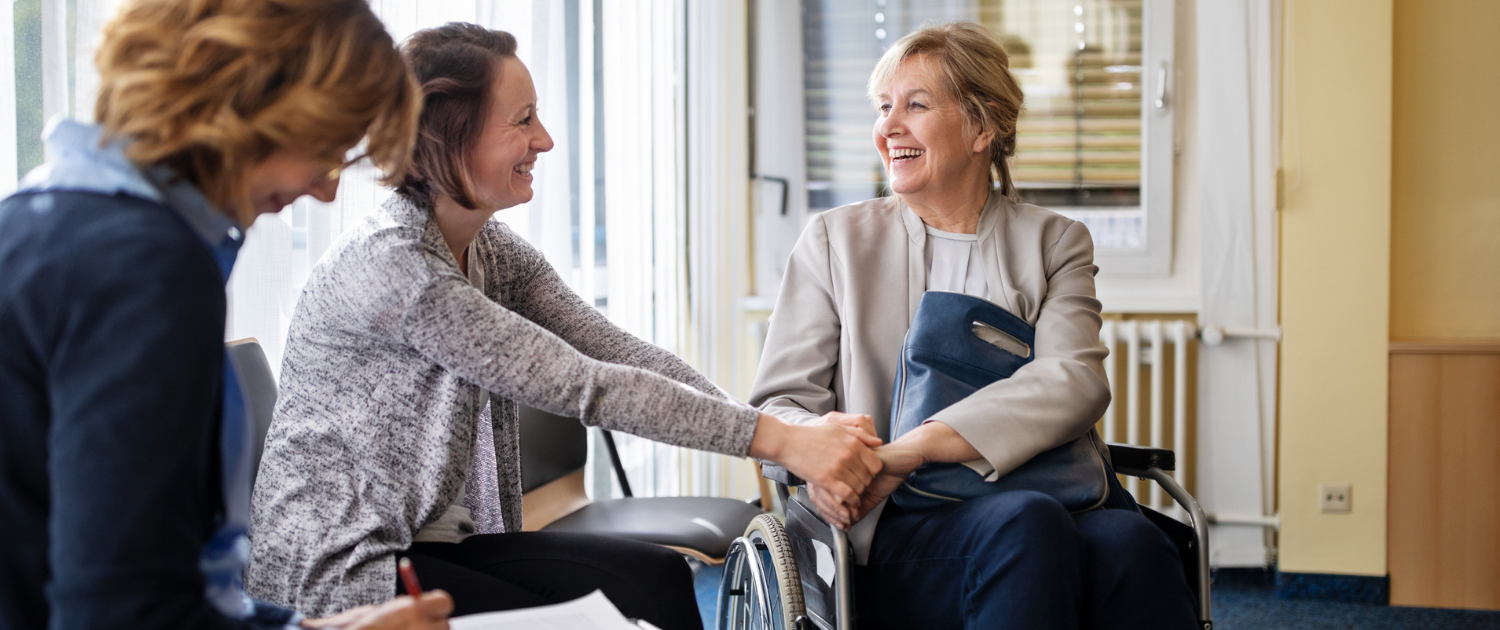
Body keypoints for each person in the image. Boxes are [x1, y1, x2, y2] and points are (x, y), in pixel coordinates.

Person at [245, 23, 881, 630]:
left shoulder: (490, 249)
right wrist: (780, 442)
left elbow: (616, 352)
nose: (544, 140)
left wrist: (781, 454)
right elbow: (586, 386)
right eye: (523, 120)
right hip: (338, 569)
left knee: (653, 581)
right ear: (450, 134)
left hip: (418, 543)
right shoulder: (399, 267)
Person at [0, 0, 455, 628]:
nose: (325, 190)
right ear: (249, 106)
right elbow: (121, 613)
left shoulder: (37, 220)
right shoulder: (146, 269)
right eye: (324, 148)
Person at [748, 21, 1198, 630]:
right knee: (1026, 524)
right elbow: (782, 402)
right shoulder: (835, 242)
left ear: (983, 127)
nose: (888, 127)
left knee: (1136, 544)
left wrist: (910, 450)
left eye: (916, 104)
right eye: (884, 107)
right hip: (895, 521)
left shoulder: (1054, 241)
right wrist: (831, 458)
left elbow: (1074, 380)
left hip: (1043, 492)